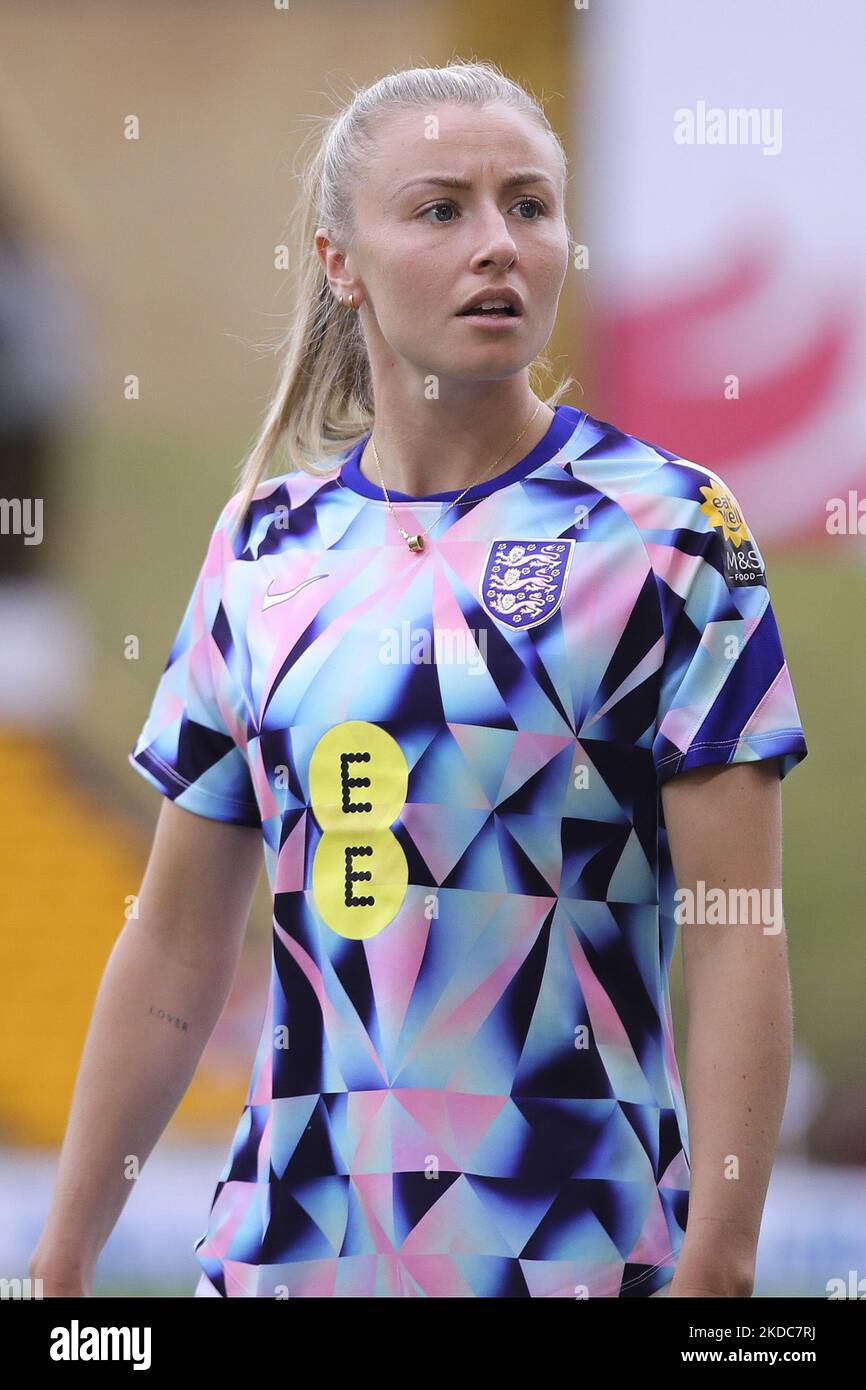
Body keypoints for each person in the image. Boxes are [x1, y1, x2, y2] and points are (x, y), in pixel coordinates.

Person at [30, 59, 808, 1299]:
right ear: (340, 260)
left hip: (575, 1251)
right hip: (291, 1255)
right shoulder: (263, 549)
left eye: (530, 207)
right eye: (441, 209)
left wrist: (717, 1262)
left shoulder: (671, 530)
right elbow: (177, 944)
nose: (496, 244)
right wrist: (61, 1261)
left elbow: (731, 931)